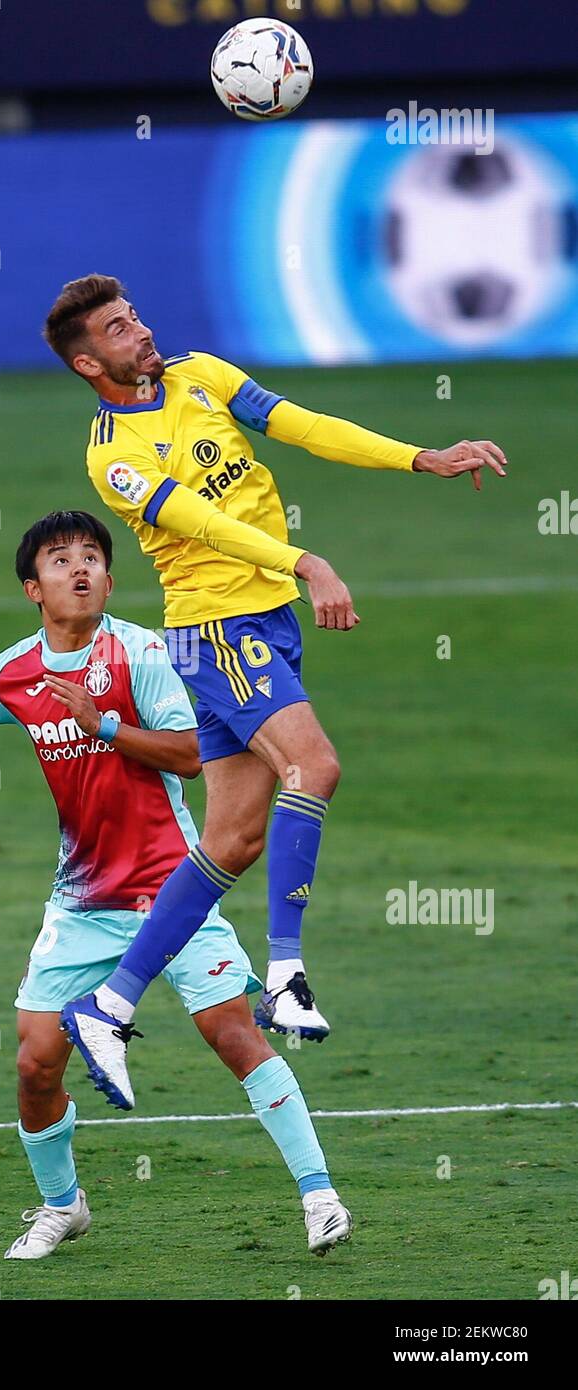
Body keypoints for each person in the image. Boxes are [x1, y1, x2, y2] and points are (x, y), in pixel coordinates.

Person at [42, 273, 507, 1107]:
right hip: (218, 629)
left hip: (267, 624)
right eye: (119, 328)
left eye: (137, 314)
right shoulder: (112, 454)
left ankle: (107, 1007)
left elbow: (304, 426)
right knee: (316, 768)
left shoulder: (201, 374)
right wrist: (305, 560)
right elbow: (202, 524)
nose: (140, 331)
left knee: (231, 841)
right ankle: (286, 972)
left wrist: (418, 457)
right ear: (88, 363)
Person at [0, 510, 352, 1260]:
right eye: (62, 560)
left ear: (110, 577)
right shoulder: (11, 672)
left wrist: (104, 725)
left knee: (233, 1033)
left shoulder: (145, 653)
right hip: (82, 904)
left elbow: (194, 754)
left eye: (94, 557)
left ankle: (319, 1195)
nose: (81, 569)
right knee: (35, 1062)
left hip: (175, 890)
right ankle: (62, 1206)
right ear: (35, 589)